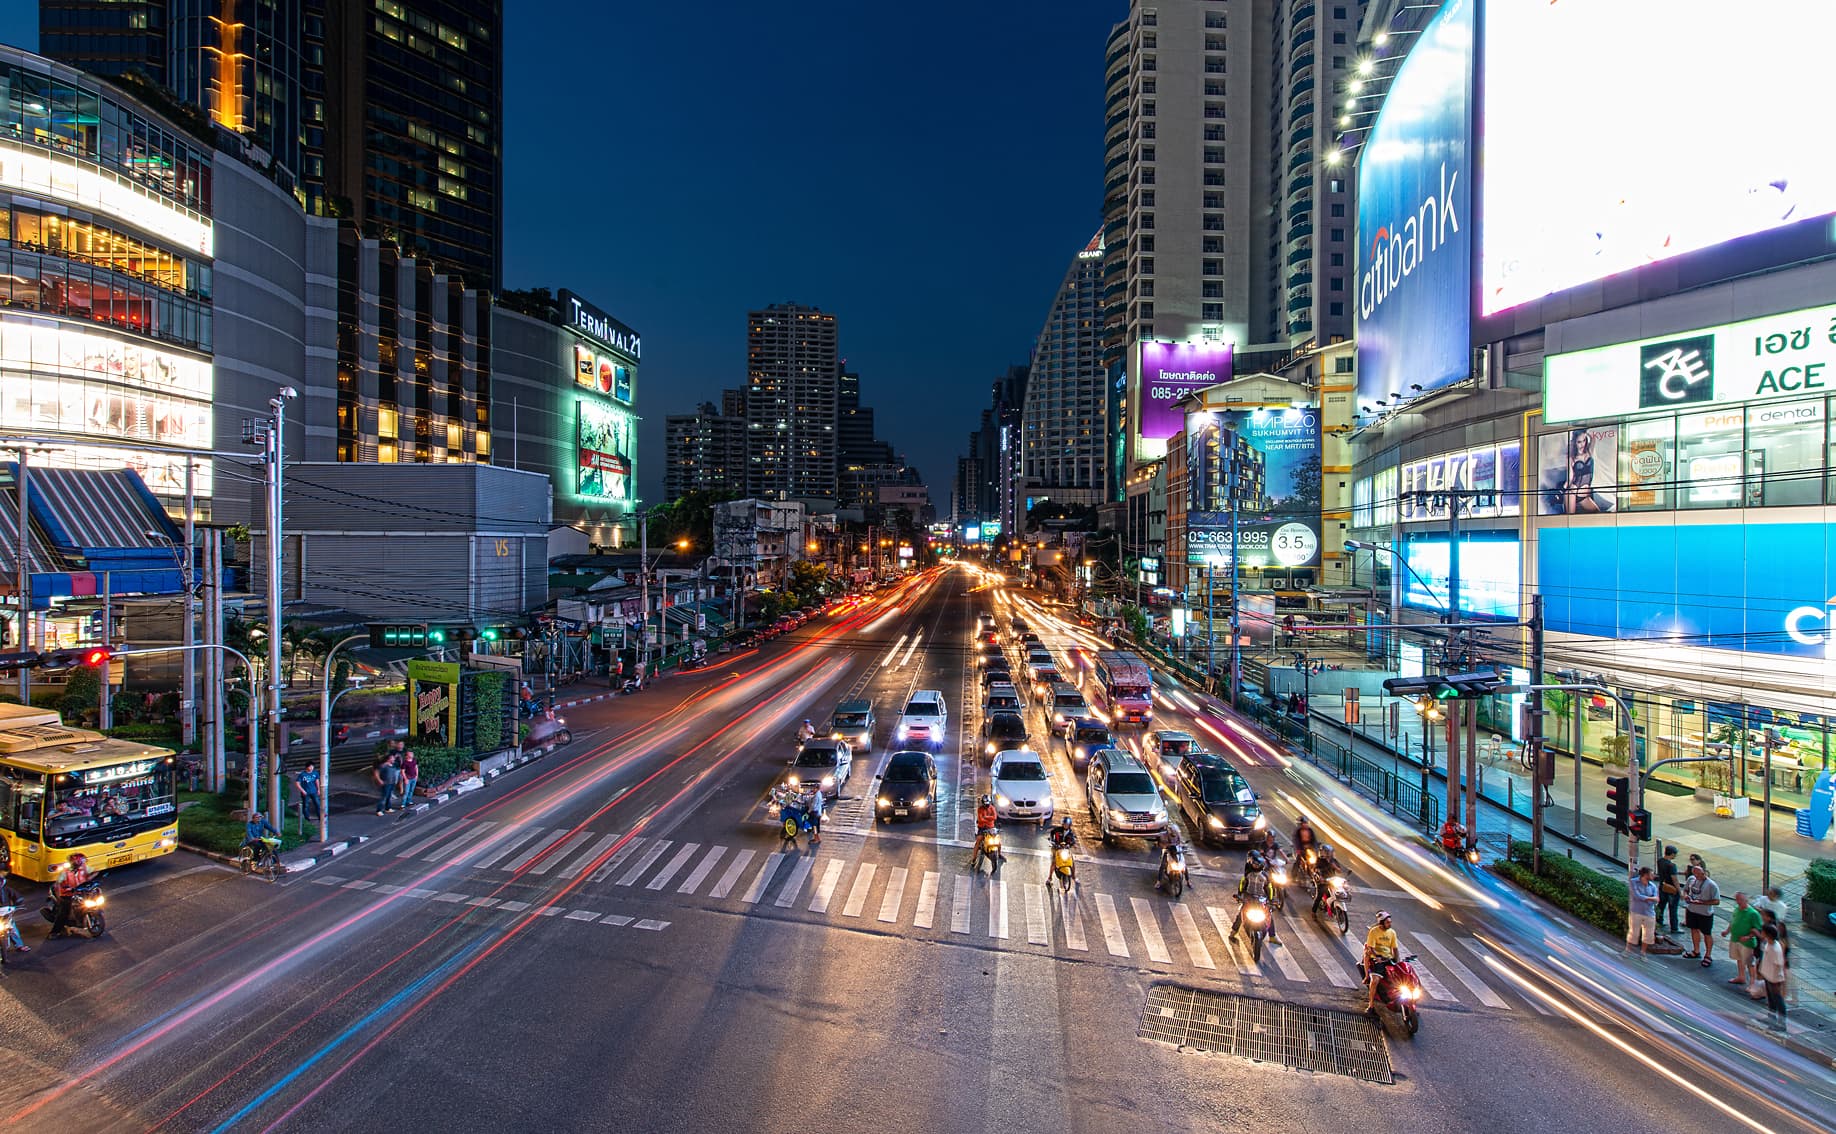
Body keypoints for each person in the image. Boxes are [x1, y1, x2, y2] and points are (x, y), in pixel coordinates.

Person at [1681, 863, 1721, 967]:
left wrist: (1702, 902)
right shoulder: (1691, 879)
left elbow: (1717, 901)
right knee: (1694, 930)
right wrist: (1686, 896)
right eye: (1695, 874)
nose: (1697, 877)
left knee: (1707, 933)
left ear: (1704, 873)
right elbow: (1685, 890)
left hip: (1705, 913)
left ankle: (1708, 955)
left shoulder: (1711, 885)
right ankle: (1696, 950)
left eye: (1699, 874)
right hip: (1692, 910)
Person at [1231, 851, 1277, 940]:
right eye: (1254, 864)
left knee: (1269, 915)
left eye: (1258, 865)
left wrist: (1271, 900)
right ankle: (1233, 932)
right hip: (1248, 897)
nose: (1256, 866)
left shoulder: (1265, 876)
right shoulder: (1247, 875)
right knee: (1241, 913)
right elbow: (1242, 885)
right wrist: (1239, 895)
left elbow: (1269, 888)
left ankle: (1272, 936)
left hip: (1261, 898)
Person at [1722, 891, 1762, 987]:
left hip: (1747, 942)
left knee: (1749, 962)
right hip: (1735, 939)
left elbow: (1757, 929)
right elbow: (1733, 922)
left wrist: (1748, 937)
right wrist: (1727, 931)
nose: (1738, 902)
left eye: (1740, 900)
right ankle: (1741, 976)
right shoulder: (1737, 909)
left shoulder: (1753, 913)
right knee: (1739, 959)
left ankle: (1752, 983)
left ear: (1746, 900)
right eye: (1737, 899)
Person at [1363, 910, 1400, 1014]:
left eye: (1390, 922)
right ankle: (1371, 1006)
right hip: (1377, 959)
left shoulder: (1392, 932)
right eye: (1387, 922)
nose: (1390, 924)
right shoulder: (1374, 931)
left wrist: (1396, 960)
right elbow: (1370, 947)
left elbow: (1395, 949)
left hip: (1388, 958)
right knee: (1375, 981)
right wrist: (1377, 956)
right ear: (1382, 922)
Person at [47, 852, 91, 939]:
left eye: (82, 861)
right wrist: (61, 895)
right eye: (79, 862)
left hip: (81, 893)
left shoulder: (84, 869)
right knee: (64, 912)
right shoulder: (65, 872)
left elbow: (93, 873)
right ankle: (54, 932)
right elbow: (58, 884)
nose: (82, 863)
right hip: (67, 894)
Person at [1757, 923, 1788, 1030]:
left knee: (1777, 999)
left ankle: (1782, 1022)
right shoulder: (1769, 944)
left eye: (1763, 931)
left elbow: (1779, 964)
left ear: (1768, 934)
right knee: (1771, 998)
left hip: (1774, 978)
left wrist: (1777, 978)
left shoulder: (1775, 948)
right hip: (1767, 974)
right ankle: (1771, 1017)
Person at [1627, 866, 1659, 955]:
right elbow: (1637, 896)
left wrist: (1648, 899)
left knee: (1648, 934)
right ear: (1645, 875)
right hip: (1636, 911)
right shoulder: (1634, 882)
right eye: (1651, 874)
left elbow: (1656, 899)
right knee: (1633, 932)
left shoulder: (1653, 886)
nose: (1654, 876)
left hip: (1649, 912)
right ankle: (1628, 950)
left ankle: (1643, 952)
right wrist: (1650, 898)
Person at [1655, 846, 1682, 936]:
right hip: (1671, 889)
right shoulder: (1672, 865)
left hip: (1663, 886)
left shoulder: (1660, 861)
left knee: (1661, 905)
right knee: (1673, 908)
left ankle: (1659, 921)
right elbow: (1674, 879)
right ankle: (1674, 927)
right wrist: (1679, 891)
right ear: (1672, 854)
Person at [1311, 845, 1344, 913]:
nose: (1329, 854)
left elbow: (1339, 871)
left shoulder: (1333, 861)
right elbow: (1315, 869)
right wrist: (1320, 877)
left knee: (1338, 893)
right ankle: (1313, 912)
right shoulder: (1319, 860)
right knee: (1319, 895)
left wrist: (1334, 866)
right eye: (1327, 852)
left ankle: (1332, 908)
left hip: (1332, 880)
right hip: (1322, 881)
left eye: (1330, 852)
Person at [0, 875, 29, 954]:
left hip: (6, 914)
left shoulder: (7, 890)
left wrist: (18, 904)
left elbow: (17, 897)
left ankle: (19, 945)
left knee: (12, 928)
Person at [373, 750, 400, 816]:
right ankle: (379, 810)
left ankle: (388, 808)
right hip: (386, 783)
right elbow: (376, 772)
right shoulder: (383, 765)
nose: (394, 759)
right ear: (389, 759)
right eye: (392, 758)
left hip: (392, 783)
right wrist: (379, 780)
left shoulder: (393, 765)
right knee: (384, 797)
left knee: (389, 796)